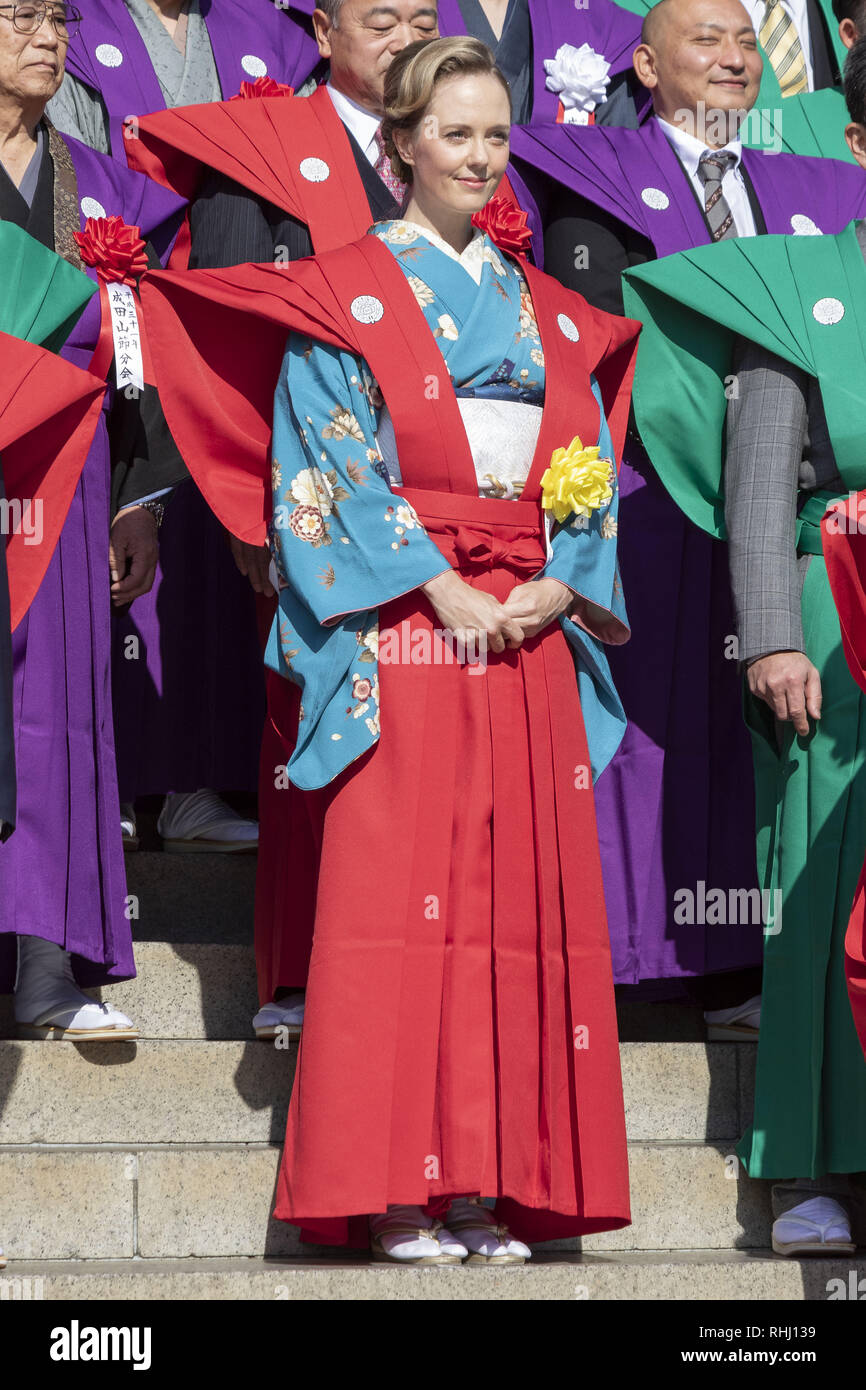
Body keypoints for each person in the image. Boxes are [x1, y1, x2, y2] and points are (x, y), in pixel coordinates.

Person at [140, 34, 639, 1260]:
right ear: (400, 145)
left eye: (492, 134)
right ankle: (394, 1185)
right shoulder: (342, 291)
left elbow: (581, 464)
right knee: (394, 902)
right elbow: (322, 463)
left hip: (520, 627)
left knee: (507, 905)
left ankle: (486, 1182)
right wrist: (433, 583)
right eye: (454, 133)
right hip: (405, 630)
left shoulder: (538, 308)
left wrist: (558, 585)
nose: (479, 156)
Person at [507, 0, 866, 1027]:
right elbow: (591, 336)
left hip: (779, 497)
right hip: (648, 483)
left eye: (744, 41)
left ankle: (738, 962)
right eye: (703, 41)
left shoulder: (798, 189)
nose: (728, 58)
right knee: (656, 722)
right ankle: (636, 957)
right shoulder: (597, 180)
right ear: (644, 64)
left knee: (747, 723)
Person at [126, 0, 439, 1033]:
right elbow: (212, 337)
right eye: (381, 17)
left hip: (435, 506)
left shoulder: (454, 149)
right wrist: (240, 509)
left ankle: (413, 963)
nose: (404, 35)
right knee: (314, 731)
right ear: (322, 34)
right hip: (303, 501)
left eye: (421, 17)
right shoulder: (257, 155)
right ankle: (301, 977)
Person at [618, 28, 866, 1259]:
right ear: (855, 145)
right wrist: (770, 635)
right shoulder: (791, 281)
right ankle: (804, 1164)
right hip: (833, 611)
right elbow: (758, 480)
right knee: (821, 881)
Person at [0, 0, 188, 1037]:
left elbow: (138, 359)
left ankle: (45, 961)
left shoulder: (105, 191)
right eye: (18, 14)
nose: (47, 35)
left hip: (67, 478)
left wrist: (136, 497)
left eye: (58, 17)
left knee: (55, 704)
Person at [46, 0, 319, 156]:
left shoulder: (271, 27)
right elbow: (74, 176)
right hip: (130, 247)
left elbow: (306, 154)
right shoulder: (66, 27)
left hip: (249, 240)